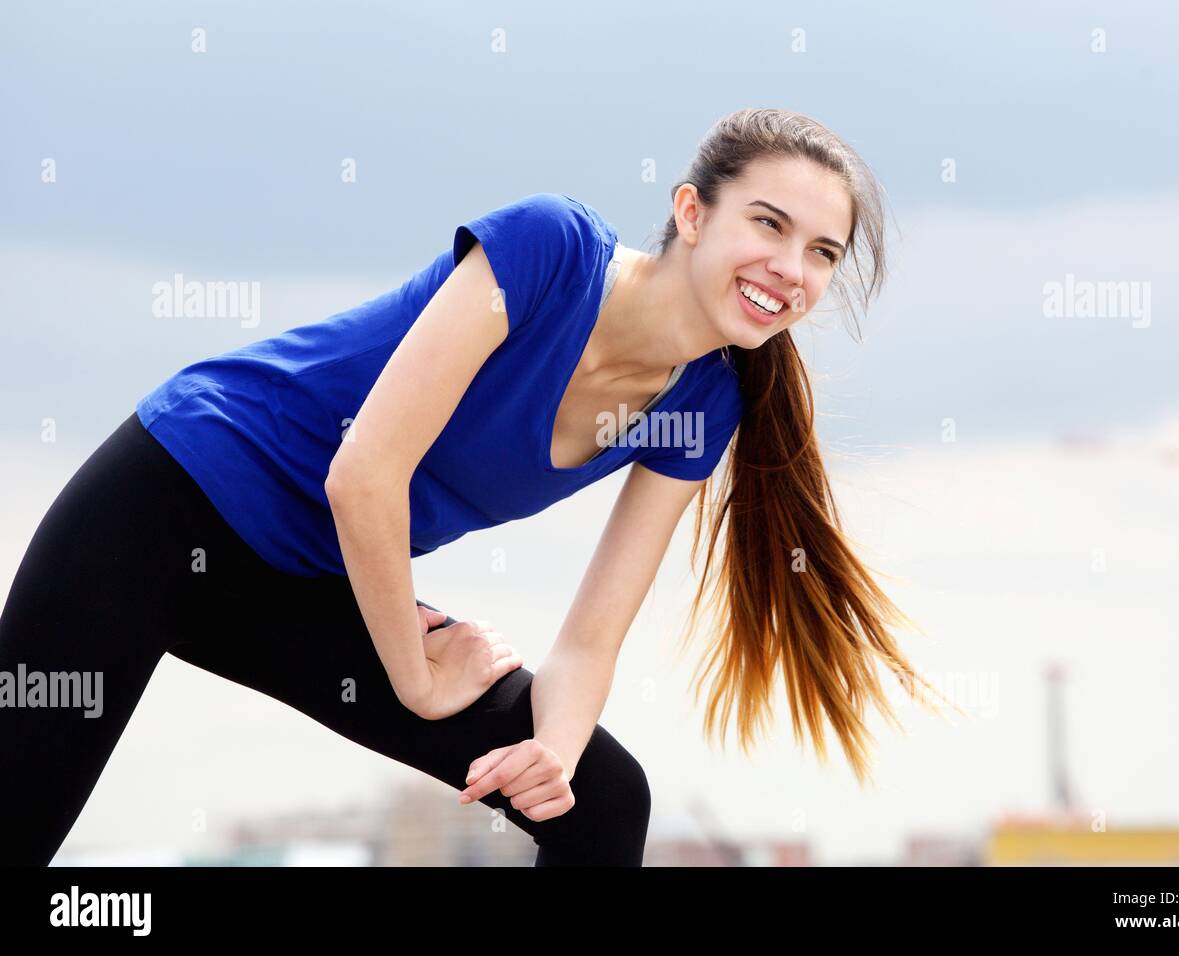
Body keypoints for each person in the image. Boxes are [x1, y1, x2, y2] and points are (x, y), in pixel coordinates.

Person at [0, 107, 954, 868]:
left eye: (822, 254)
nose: (790, 270)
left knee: (599, 803)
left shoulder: (703, 405)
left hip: (301, 581)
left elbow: (590, 638)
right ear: (694, 212)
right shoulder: (548, 252)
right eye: (770, 225)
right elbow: (363, 475)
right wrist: (415, 681)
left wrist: (556, 750)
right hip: (163, 507)